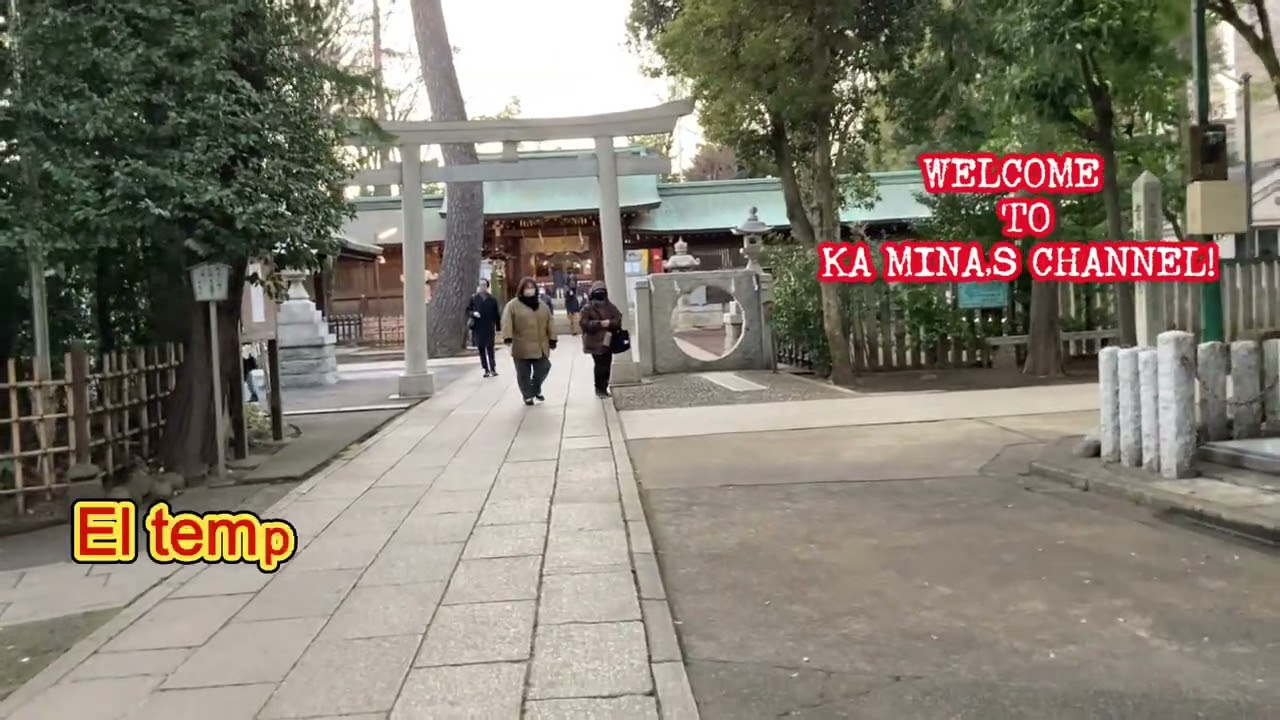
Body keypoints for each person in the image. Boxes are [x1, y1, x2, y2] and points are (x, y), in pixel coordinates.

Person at [502, 277, 557, 405]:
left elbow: (550, 322)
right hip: (521, 345)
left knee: (544, 367)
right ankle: (527, 395)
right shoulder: (512, 305)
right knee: (523, 374)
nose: (529, 290)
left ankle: (535, 388)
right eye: (527, 288)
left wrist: (552, 338)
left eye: (532, 288)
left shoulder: (542, 305)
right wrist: (507, 337)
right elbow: (506, 321)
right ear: (521, 290)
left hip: (540, 345)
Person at [579, 280, 623, 399]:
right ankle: (599, 388)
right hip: (594, 341)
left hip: (608, 341)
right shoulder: (587, 308)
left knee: (607, 365)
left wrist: (609, 323)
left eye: (602, 292)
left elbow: (618, 319)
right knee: (599, 365)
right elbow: (584, 323)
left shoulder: (610, 306)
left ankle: (604, 387)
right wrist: (599, 324)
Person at [467, 279, 501, 377]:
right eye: (481, 285)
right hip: (478, 327)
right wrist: (473, 313)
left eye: (484, 285)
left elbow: (496, 314)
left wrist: (498, 327)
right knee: (481, 348)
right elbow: (468, 310)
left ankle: (493, 368)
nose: (482, 287)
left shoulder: (492, 299)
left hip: (489, 327)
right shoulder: (474, 298)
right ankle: (486, 369)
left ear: (487, 286)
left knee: (490, 348)